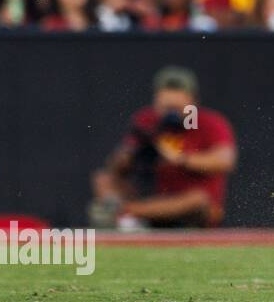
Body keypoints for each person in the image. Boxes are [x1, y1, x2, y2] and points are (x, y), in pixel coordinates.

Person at [89, 67, 237, 228]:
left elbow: (225, 160)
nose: (172, 115)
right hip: (155, 199)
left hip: (194, 208)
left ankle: (126, 215)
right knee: (104, 180)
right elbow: (117, 167)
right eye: (167, 108)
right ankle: (130, 220)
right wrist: (133, 153)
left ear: (193, 103)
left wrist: (180, 159)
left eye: (177, 108)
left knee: (197, 199)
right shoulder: (147, 119)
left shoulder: (210, 123)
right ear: (156, 102)